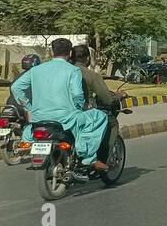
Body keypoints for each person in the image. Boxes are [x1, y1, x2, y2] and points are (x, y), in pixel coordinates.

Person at [11, 38, 110, 171]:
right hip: (66, 118)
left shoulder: (36, 70)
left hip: (40, 117)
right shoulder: (72, 71)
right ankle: (87, 156)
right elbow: (77, 95)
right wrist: (81, 106)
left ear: (53, 52)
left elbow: (16, 87)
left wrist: (29, 106)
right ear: (69, 53)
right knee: (100, 117)